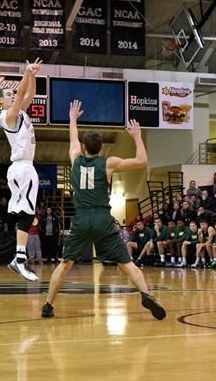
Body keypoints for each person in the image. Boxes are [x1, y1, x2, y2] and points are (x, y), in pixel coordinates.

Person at [41, 100, 166, 320]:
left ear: (83, 147)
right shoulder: (109, 163)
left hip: (81, 218)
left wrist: (72, 119)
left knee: (65, 264)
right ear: (101, 148)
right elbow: (142, 160)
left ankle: (48, 306)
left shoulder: (75, 159)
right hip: (102, 218)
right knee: (127, 263)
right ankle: (146, 294)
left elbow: (72, 139)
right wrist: (137, 136)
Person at [0, 57, 43, 282]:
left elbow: (29, 94)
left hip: (24, 167)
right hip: (22, 167)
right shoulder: (7, 116)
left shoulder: (20, 113)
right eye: (8, 94)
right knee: (28, 214)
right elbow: (22, 92)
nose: (12, 95)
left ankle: (19, 257)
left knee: (26, 214)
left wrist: (32, 76)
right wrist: (26, 72)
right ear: (1, 101)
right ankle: (20, 259)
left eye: (12, 93)